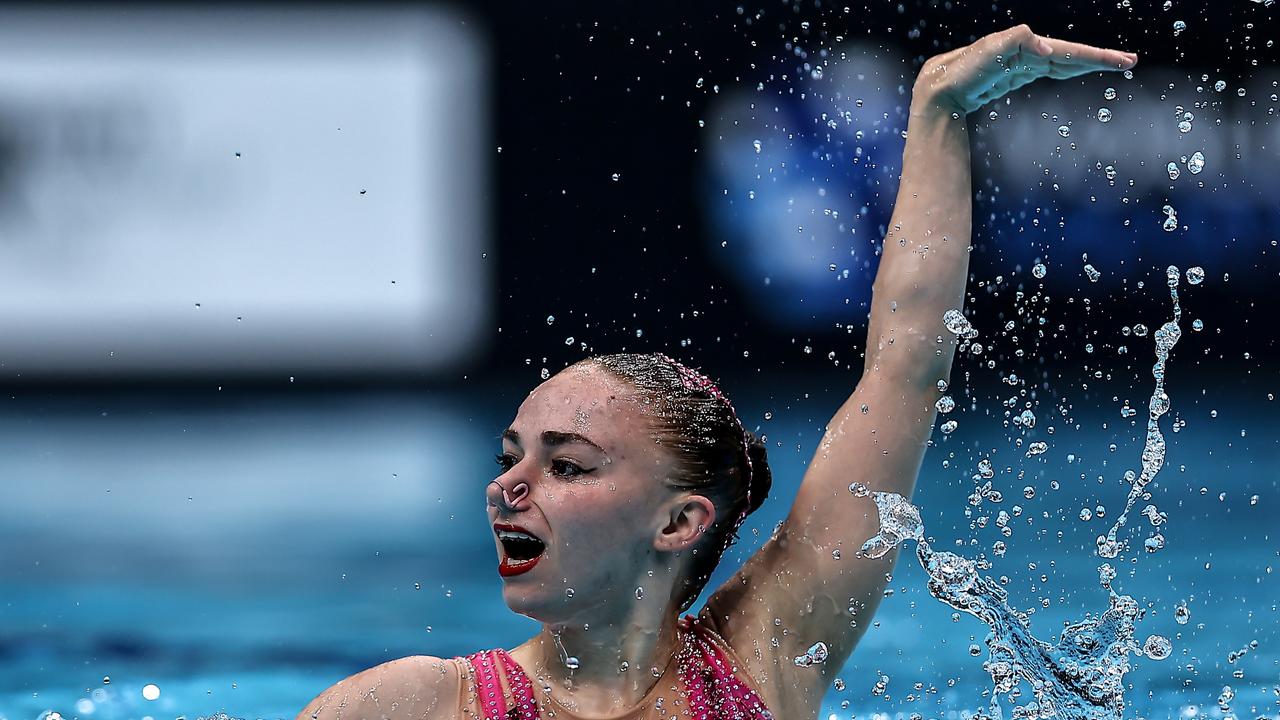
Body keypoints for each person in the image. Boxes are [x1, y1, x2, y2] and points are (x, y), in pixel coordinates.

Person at [298, 25, 1138, 720]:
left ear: (678, 523)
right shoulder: (410, 705)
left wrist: (939, 107)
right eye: (508, 456)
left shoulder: (764, 658)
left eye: (566, 464)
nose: (506, 488)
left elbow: (905, 369)